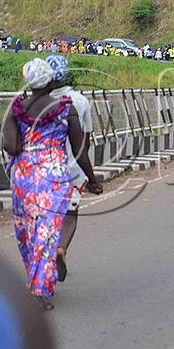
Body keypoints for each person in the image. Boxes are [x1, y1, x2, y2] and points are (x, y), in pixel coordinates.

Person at [1, 59, 90, 310]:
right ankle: (38, 289)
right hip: (54, 178)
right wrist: (92, 179)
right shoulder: (65, 108)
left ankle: (40, 279)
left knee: (27, 231)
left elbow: (11, 146)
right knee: (48, 232)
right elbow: (80, 149)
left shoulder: (15, 109)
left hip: (23, 178)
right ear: (51, 80)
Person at [45, 55, 103, 281]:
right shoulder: (79, 101)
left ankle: (43, 261)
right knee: (70, 215)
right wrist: (92, 179)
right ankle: (61, 248)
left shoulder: (36, 101)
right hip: (71, 170)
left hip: (41, 171)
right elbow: (84, 145)